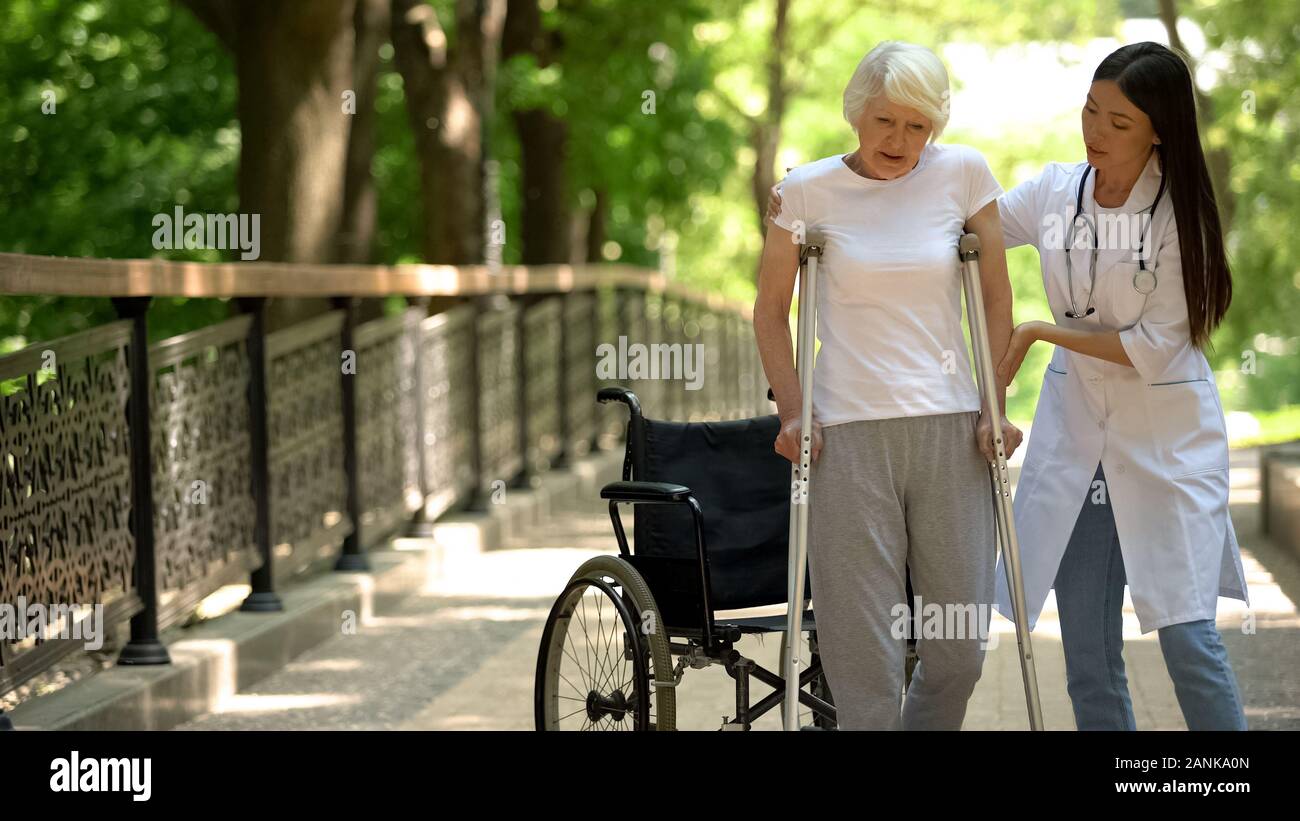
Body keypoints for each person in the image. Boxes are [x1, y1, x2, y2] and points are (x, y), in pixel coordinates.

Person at [768, 41, 1249, 730]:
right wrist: (808, 195)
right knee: (1086, 650)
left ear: (1158, 130)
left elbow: (1154, 344)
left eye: (1118, 123)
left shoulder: (1179, 217)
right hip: (1078, 441)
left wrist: (1030, 339)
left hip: (1166, 441)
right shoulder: (1059, 192)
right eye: (1090, 110)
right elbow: (958, 218)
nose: (1095, 131)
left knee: (1185, 633)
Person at [753, 40, 1020, 730]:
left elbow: (995, 303)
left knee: (959, 649)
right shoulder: (806, 192)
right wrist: (792, 412)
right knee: (862, 662)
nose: (900, 140)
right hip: (845, 437)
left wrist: (997, 405)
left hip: (952, 430)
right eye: (885, 122)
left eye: (918, 126)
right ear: (855, 113)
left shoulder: (964, 175)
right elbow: (770, 310)